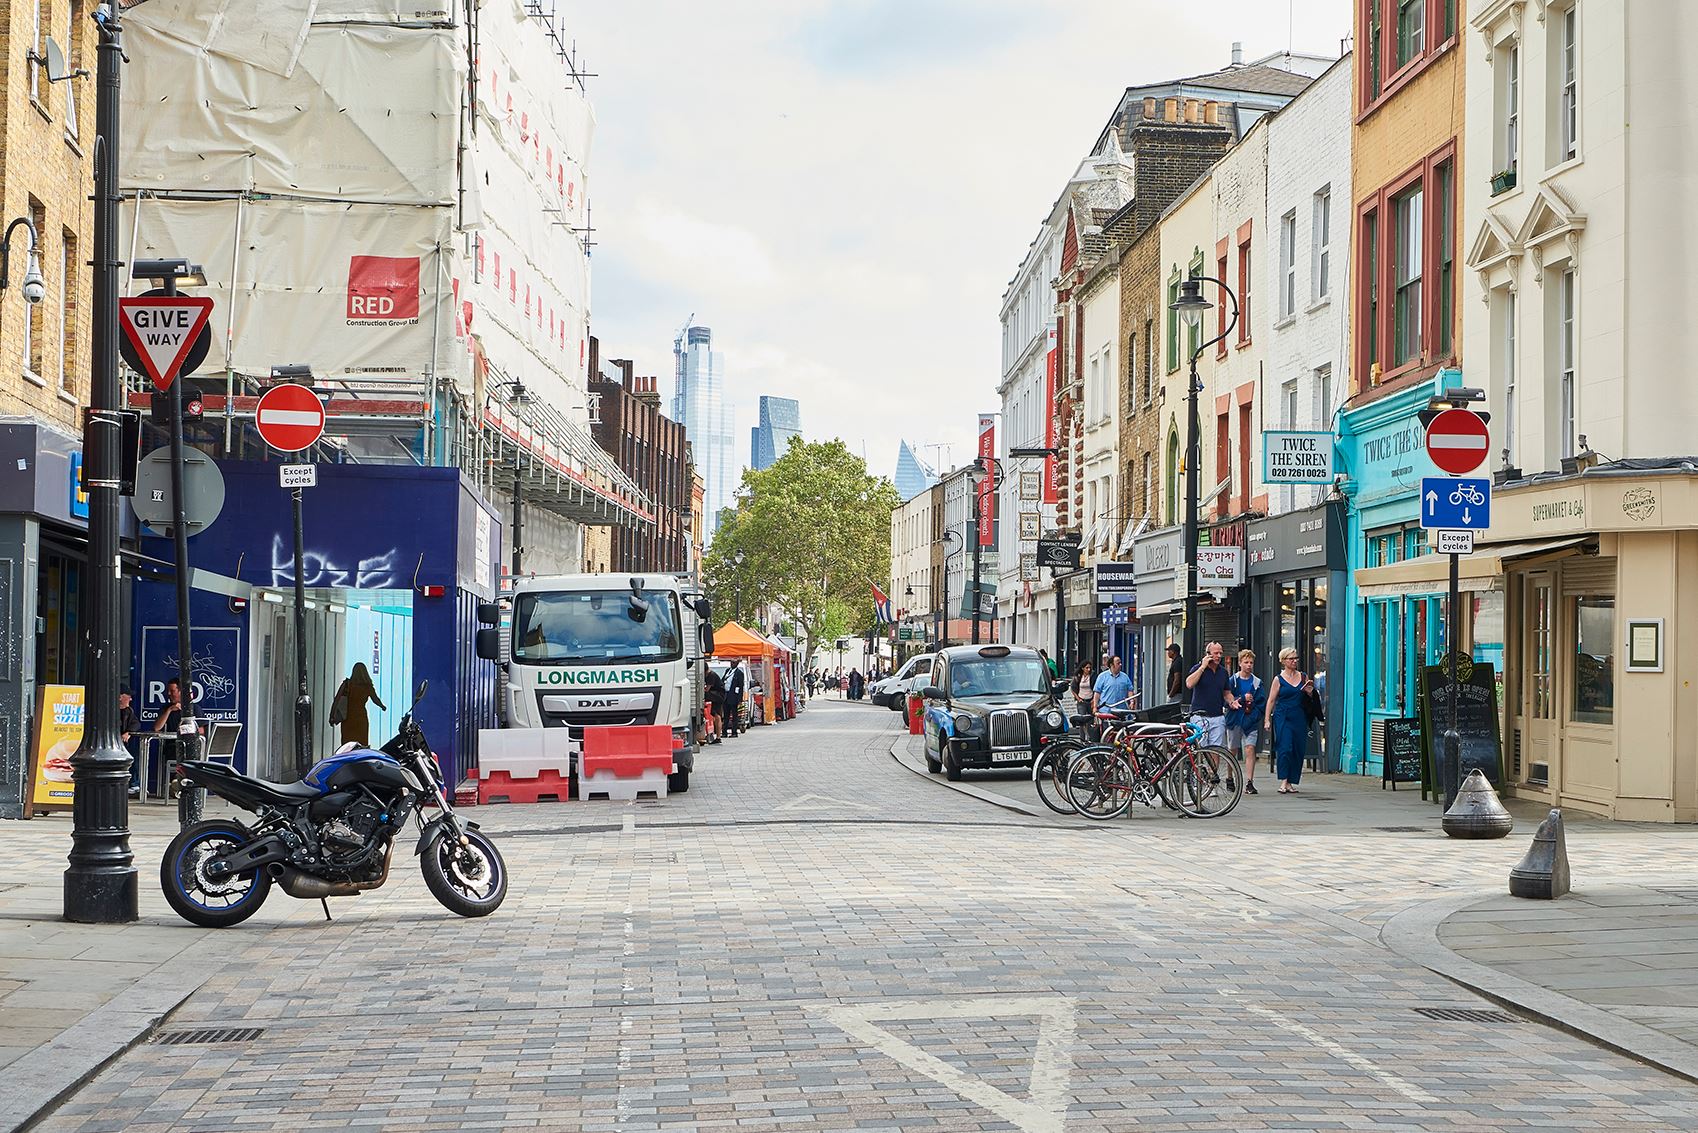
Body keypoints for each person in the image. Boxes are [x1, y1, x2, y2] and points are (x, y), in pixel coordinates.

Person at [1264, 647, 1320, 794]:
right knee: (1285, 747)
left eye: (1296, 658)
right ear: (1283, 661)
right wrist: (1266, 720)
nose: (1295, 661)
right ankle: (1283, 781)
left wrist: (1309, 693)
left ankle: (1290, 782)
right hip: (1283, 716)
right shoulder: (1278, 679)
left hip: (1299, 716)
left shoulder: (1303, 676)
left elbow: (1310, 698)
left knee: (1297, 749)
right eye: (1291, 659)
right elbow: (1271, 700)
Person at [1184, 641, 1239, 750]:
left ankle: (1214, 768)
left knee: (1216, 750)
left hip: (1217, 716)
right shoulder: (1197, 669)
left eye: (1220, 653)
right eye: (1216, 653)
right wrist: (1202, 667)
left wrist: (1232, 701)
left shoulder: (1223, 672)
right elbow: (1189, 684)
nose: (1219, 656)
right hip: (1200, 716)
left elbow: (1226, 692)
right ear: (1208, 654)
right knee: (1200, 749)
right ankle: (1199, 767)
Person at [1223, 650, 1264, 795]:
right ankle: (1230, 777)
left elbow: (1261, 703)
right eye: (1246, 662)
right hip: (1234, 720)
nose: (1249, 665)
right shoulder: (1232, 681)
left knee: (1250, 749)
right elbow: (1227, 700)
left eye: (1251, 662)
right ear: (1240, 663)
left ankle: (1249, 782)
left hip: (1250, 720)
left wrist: (1255, 715)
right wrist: (1241, 699)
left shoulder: (1257, 683)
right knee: (1232, 750)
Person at [330, 662, 387, 748]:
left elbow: (337, 700)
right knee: (361, 744)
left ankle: (348, 760)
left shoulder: (347, 684)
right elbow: (375, 699)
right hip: (361, 718)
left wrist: (332, 716)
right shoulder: (368, 687)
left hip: (348, 719)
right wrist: (382, 706)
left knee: (347, 745)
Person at [723, 659, 746, 737]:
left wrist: (740, 699)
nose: (731, 664)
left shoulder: (739, 673)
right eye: (731, 663)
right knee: (726, 715)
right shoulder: (727, 671)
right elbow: (723, 680)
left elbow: (741, 687)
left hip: (734, 697)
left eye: (733, 663)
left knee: (734, 716)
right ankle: (724, 732)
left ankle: (734, 732)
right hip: (726, 695)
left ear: (737, 664)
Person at [704, 668, 726, 744]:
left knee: (717, 715)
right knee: (716, 714)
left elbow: (707, 689)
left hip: (718, 696)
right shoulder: (711, 674)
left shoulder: (711, 675)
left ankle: (718, 737)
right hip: (717, 695)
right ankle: (718, 736)